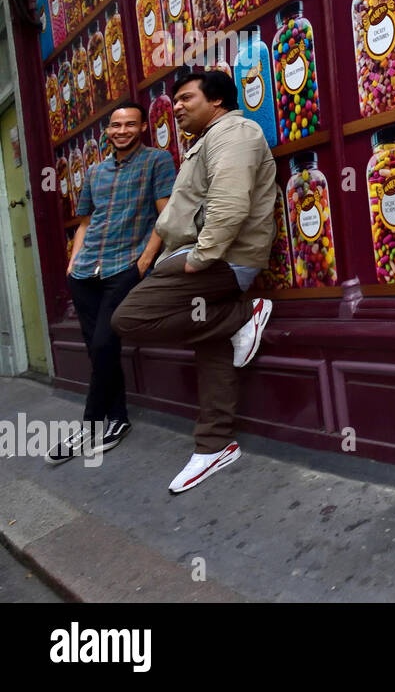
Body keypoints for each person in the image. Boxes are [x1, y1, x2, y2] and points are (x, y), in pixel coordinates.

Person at [111, 69, 277, 494]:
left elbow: (229, 201)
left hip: (218, 261)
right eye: (176, 100)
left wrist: (201, 258)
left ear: (216, 101)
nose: (177, 107)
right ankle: (214, 445)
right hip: (205, 261)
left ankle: (242, 316)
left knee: (127, 319)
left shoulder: (235, 132)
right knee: (209, 337)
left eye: (186, 98)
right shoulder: (207, 140)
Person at [47, 103, 175, 464]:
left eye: (130, 124)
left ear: (142, 128)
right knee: (98, 350)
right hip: (86, 272)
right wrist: (73, 262)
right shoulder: (94, 172)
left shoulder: (157, 162)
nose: (122, 130)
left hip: (125, 265)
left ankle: (88, 426)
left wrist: (146, 260)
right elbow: (85, 221)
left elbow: (165, 214)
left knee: (104, 342)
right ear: (108, 130)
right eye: (116, 125)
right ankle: (117, 419)